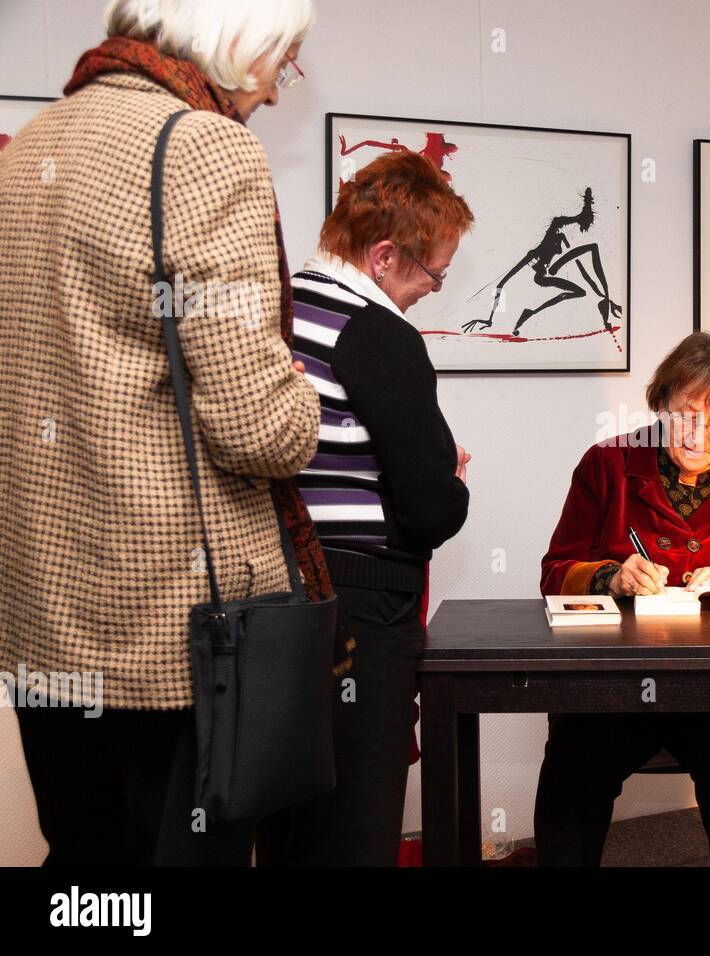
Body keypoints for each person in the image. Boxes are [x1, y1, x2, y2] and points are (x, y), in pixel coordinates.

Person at [0, 0, 325, 865]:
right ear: (237, 38)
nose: (279, 89)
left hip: (42, 615)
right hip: (175, 631)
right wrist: (300, 399)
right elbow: (259, 428)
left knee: (85, 866)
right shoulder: (203, 148)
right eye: (282, 60)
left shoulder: (27, 147)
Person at [258, 147, 474, 865]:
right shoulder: (379, 335)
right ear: (384, 256)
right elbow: (426, 508)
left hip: (273, 598)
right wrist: (452, 479)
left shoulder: (279, 304)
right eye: (433, 271)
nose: (436, 288)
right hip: (362, 608)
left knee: (289, 822)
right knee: (357, 825)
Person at [535, 331, 710, 866]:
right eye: (685, 415)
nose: (698, 435)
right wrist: (611, 575)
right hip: (613, 684)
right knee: (572, 765)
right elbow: (553, 574)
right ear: (660, 403)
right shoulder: (606, 465)